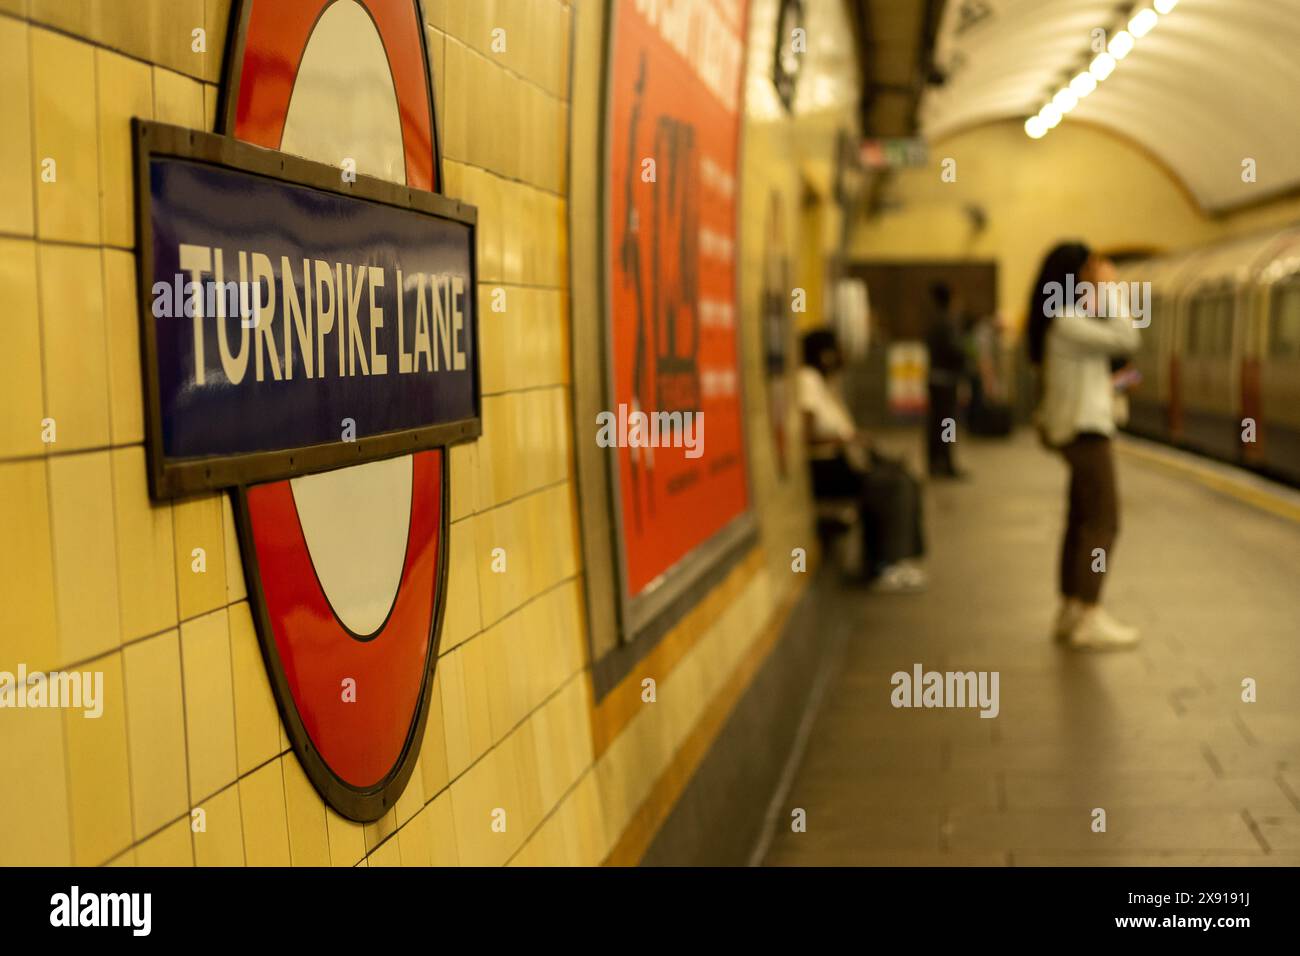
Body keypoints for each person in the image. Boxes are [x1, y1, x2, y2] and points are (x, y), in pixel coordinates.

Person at [1027, 242, 1141, 650]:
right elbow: (1128, 337)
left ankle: (1072, 607)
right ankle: (1090, 614)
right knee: (1103, 521)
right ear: (1075, 274)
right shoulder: (1067, 320)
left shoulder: (1062, 320)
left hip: (1078, 428)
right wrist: (1110, 290)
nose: (1100, 272)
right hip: (1085, 431)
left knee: (1080, 519)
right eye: (1092, 268)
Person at [798, 329, 927, 592]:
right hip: (825, 466)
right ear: (825, 354)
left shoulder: (824, 382)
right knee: (891, 485)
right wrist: (845, 441)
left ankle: (896, 558)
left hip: (841, 459)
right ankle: (884, 564)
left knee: (903, 478)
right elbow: (806, 435)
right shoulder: (807, 380)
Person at [925, 282, 967, 478]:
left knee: (936, 424)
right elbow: (955, 351)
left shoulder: (935, 321)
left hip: (935, 379)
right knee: (947, 424)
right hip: (947, 382)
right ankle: (946, 463)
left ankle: (935, 462)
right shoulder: (947, 323)